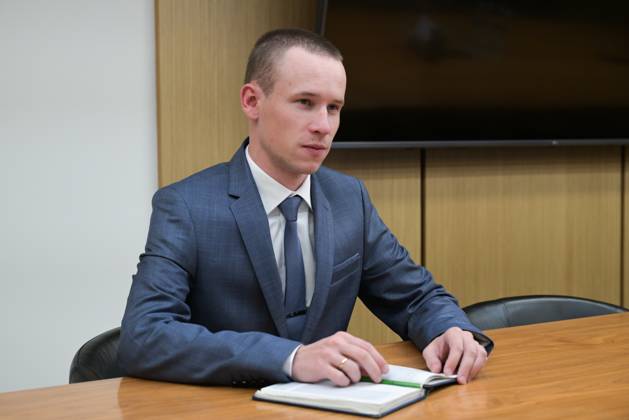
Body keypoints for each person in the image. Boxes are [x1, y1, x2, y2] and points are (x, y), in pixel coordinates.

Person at [118, 28, 492, 388]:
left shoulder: (349, 198)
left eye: (334, 108)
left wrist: (449, 329)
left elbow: (416, 297)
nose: (323, 126)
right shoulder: (186, 206)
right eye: (305, 103)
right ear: (252, 101)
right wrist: (291, 358)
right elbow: (144, 336)